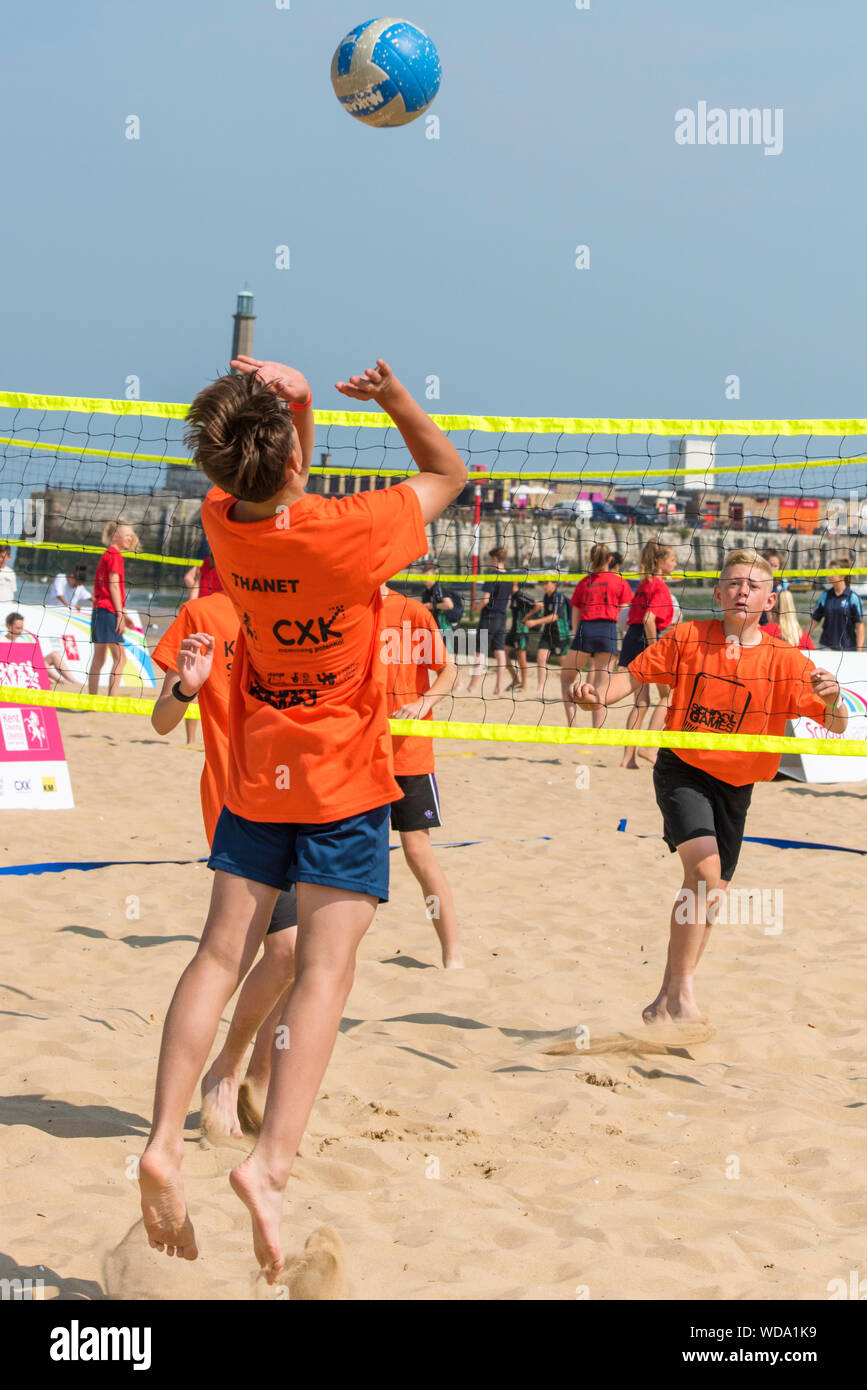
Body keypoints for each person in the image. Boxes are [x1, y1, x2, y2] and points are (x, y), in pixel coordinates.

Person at [137, 354, 466, 1281]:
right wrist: (396, 396)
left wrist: (301, 409)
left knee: (217, 954)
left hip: (253, 779)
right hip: (342, 785)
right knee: (322, 974)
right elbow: (448, 473)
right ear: (289, 460)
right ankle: (268, 1167)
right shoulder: (349, 533)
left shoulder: (222, 524)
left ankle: (162, 1139)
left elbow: (277, 497)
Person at [573, 550, 847, 1021]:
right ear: (718, 594)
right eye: (735, 583)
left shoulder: (785, 658)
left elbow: (838, 726)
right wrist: (596, 695)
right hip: (683, 767)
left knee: (711, 891)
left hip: (738, 785)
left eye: (754, 586)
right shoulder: (687, 638)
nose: (744, 591)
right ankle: (683, 997)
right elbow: (632, 677)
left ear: (770, 599)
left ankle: (663, 1001)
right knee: (703, 875)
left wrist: (836, 698)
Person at [151, 589, 298, 1140]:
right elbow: (162, 721)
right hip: (242, 808)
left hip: (313, 802)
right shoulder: (204, 613)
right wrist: (188, 686)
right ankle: (228, 1073)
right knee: (258, 952)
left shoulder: (308, 598)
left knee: (294, 957)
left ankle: (242, 1074)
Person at [380, 583, 462, 967]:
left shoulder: (411, 611)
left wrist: (423, 702)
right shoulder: (340, 609)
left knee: (417, 853)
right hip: (356, 753)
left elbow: (447, 669)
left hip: (408, 754)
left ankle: (452, 953)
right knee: (353, 854)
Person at [560, 543, 632, 728]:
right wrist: (625, 644)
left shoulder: (585, 582)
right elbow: (625, 619)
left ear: (591, 560)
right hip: (607, 631)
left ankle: (572, 724)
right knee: (602, 686)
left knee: (567, 678)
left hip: (586, 630)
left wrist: (577, 635)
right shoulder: (619, 581)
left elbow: (575, 612)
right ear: (610, 560)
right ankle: (597, 729)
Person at [619, 542, 677, 770]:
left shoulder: (645, 584)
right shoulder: (660, 587)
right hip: (646, 641)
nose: (675, 564)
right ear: (660, 563)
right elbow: (649, 619)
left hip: (632, 640)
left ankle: (627, 758)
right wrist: (655, 649)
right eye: (672, 560)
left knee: (641, 703)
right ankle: (648, 747)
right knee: (669, 697)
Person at [88, 519, 138, 696]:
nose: (130, 539)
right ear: (116, 537)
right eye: (127, 536)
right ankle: (111, 700)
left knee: (99, 658)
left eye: (131, 536)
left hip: (99, 610)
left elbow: (110, 587)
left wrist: (123, 613)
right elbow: (114, 586)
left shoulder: (107, 553)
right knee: (120, 658)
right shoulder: (114, 554)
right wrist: (119, 614)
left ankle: (92, 699)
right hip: (108, 611)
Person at [467, 547, 513, 696]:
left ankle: (472, 686)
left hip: (489, 617)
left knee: (480, 652)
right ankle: (498, 687)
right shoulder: (509, 577)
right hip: (502, 617)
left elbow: (485, 600)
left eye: (489, 559)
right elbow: (508, 602)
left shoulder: (492, 575)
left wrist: (476, 608)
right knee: (499, 652)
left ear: (494, 559)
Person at [524, 580, 571, 698]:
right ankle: (540, 687)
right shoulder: (546, 596)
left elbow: (555, 616)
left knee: (564, 663)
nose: (544, 586)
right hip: (547, 633)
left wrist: (535, 622)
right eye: (543, 583)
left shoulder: (558, 597)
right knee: (541, 658)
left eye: (546, 583)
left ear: (554, 584)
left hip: (560, 634)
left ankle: (570, 686)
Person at [811, 564, 864, 651]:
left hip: (848, 647)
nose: (829, 575)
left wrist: (859, 650)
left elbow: (859, 626)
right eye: (828, 572)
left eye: (832, 573)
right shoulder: (825, 595)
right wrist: (801, 638)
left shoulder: (853, 597)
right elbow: (814, 621)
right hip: (826, 646)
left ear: (842, 574)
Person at [505, 585, 536, 692]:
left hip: (521, 631)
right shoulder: (512, 596)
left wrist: (527, 617)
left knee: (521, 658)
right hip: (513, 630)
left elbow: (538, 604)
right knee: (502, 653)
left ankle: (524, 685)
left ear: (515, 582)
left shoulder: (521, 596)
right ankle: (515, 679)